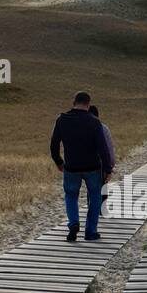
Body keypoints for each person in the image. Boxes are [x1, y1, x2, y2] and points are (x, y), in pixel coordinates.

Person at [50, 91, 112, 242]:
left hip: (71, 167)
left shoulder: (62, 120)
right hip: (92, 167)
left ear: (74, 102)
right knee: (95, 197)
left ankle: (73, 223)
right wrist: (107, 169)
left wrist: (59, 162)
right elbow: (103, 148)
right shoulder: (94, 122)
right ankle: (90, 232)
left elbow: (53, 145)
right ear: (88, 104)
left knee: (71, 196)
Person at [88, 104, 115, 201]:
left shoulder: (83, 127)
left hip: (89, 162)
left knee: (91, 187)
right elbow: (109, 147)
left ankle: (91, 207)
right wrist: (111, 164)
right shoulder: (104, 128)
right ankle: (102, 208)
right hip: (103, 162)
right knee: (103, 185)